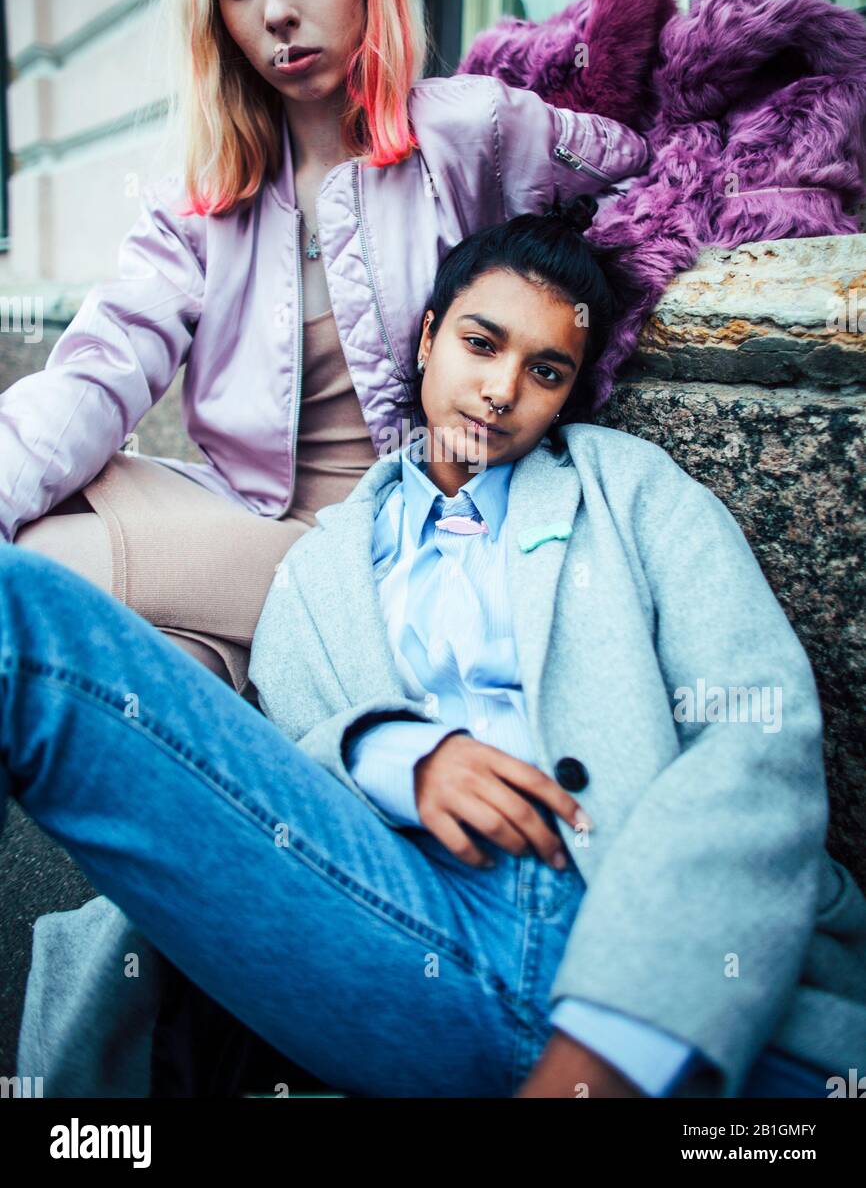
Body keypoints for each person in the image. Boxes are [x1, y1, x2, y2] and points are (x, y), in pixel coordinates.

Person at [6, 198, 866, 1098]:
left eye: (546, 370)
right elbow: (277, 775)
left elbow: (756, 739)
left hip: (661, 959)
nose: (503, 391)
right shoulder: (324, 568)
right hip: (401, 930)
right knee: (16, 608)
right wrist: (395, 754)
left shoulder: (635, 496)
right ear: (425, 339)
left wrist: (622, 1034)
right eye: (481, 344)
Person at [1, 0, 649, 697]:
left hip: (389, 529)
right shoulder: (202, 196)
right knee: (124, 669)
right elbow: (97, 368)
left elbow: (641, 167)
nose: (274, 8)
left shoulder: (469, 131)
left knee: (45, 569)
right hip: (238, 517)